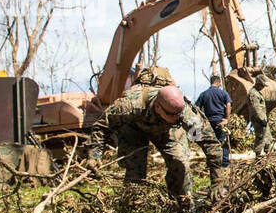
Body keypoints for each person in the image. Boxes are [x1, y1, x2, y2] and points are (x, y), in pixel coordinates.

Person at [91, 83, 224, 205]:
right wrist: (94, 156)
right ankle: (133, 207)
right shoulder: (129, 106)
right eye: (172, 115)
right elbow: (102, 126)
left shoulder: (185, 116)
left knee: (180, 164)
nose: (177, 117)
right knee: (135, 172)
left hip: (167, 130)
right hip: (134, 128)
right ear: (157, 107)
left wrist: (217, 181)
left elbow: (208, 143)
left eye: (179, 114)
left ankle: (181, 206)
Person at [195, 74, 232, 165]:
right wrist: (226, 119)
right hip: (220, 121)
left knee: (210, 143)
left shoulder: (204, 94)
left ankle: (211, 162)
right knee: (223, 142)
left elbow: (196, 107)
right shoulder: (223, 93)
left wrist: (202, 119)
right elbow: (228, 104)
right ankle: (224, 163)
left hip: (208, 122)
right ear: (218, 82)